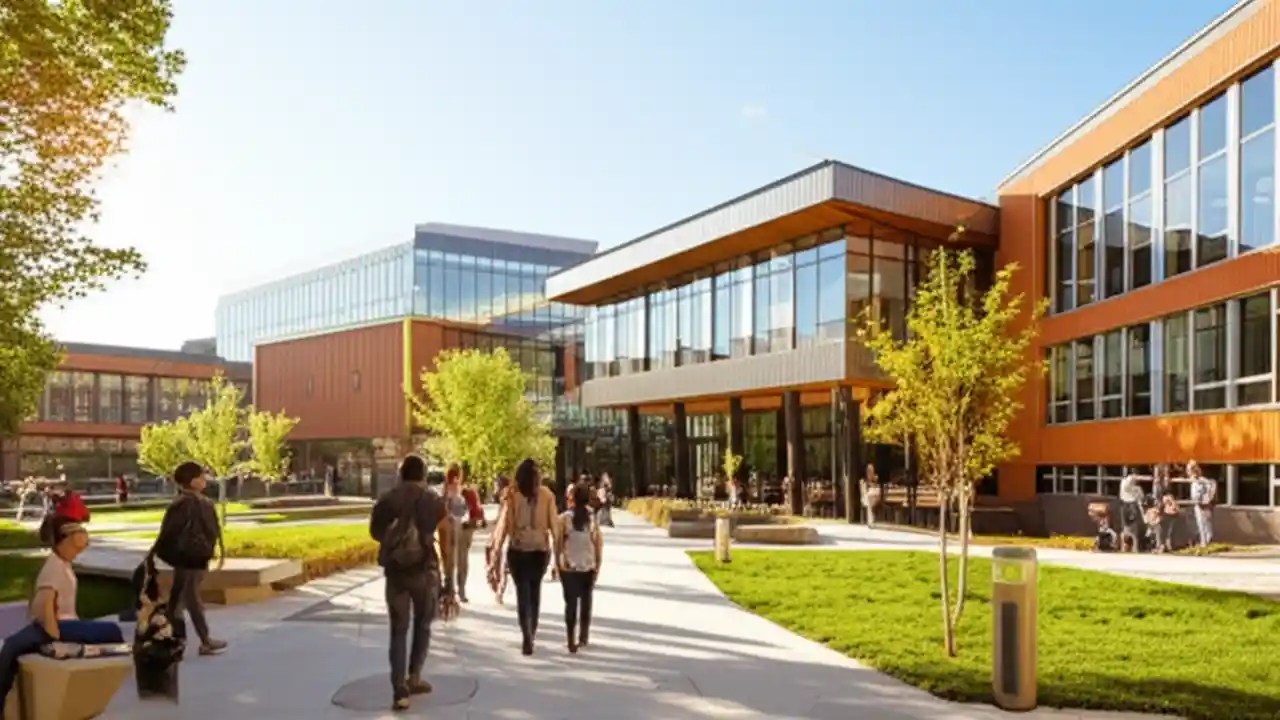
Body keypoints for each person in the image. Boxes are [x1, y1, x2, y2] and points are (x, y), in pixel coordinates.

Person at [0, 517, 125, 708]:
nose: (76, 554)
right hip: (59, 626)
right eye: (74, 550)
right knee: (111, 631)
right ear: (63, 542)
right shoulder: (53, 567)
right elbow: (45, 603)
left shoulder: (63, 564)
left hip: (65, 623)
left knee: (111, 632)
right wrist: (54, 635)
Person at [369, 454, 456, 712]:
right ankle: (414, 676)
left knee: (398, 629)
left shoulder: (386, 500)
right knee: (423, 624)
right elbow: (446, 537)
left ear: (401, 474)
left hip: (396, 573)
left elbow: (375, 532)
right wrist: (449, 576)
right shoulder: (433, 501)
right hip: (424, 572)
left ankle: (399, 690)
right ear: (424, 475)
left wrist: (395, 540)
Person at [154, 461, 227, 657]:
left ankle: (180, 640)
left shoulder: (198, 502)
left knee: (183, 599)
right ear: (193, 481)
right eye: (201, 477)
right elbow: (170, 533)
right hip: (189, 557)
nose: (205, 480)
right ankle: (184, 640)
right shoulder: (186, 505)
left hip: (194, 557)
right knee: (186, 600)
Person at [491, 458, 558, 656]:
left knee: (522, 592)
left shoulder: (512, 495)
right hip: (539, 549)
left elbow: (503, 526)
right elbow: (554, 525)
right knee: (535, 591)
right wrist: (558, 556)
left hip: (518, 549)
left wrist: (496, 553)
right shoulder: (547, 495)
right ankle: (532, 631)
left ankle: (525, 634)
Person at [556, 482, 603, 654]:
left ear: (572, 498)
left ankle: (570, 639)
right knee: (586, 601)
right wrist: (598, 562)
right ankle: (583, 636)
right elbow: (597, 542)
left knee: (570, 604)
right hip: (588, 564)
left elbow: (558, 543)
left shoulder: (564, 518)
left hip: (569, 566)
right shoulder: (592, 518)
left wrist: (557, 562)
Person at [441, 463, 484, 604]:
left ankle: (456, 589)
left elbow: (476, 510)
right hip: (452, 529)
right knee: (454, 560)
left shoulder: (465, 492)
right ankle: (454, 589)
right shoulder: (444, 493)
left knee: (456, 560)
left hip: (461, 529)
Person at [1188, 461, 1216, 548]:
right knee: (1203, 522)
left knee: (1203, 522)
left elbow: (1210, 487)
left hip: (1202, 503)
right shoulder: (1195, 481)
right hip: (1198, 502)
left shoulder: (1201, 480)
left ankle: (1205, 540)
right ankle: (1205, 539)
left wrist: (1206, 498)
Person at [1118, 474, 1145, 553]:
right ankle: (1124, 547)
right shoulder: (1124, 483)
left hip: (1133, 505)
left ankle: (1135, 547)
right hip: (1125, 504)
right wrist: (1141, 477)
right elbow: (1128, 482)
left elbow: (1141, 498)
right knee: (1125, 526)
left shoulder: (1138, 488)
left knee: (1133, 527)